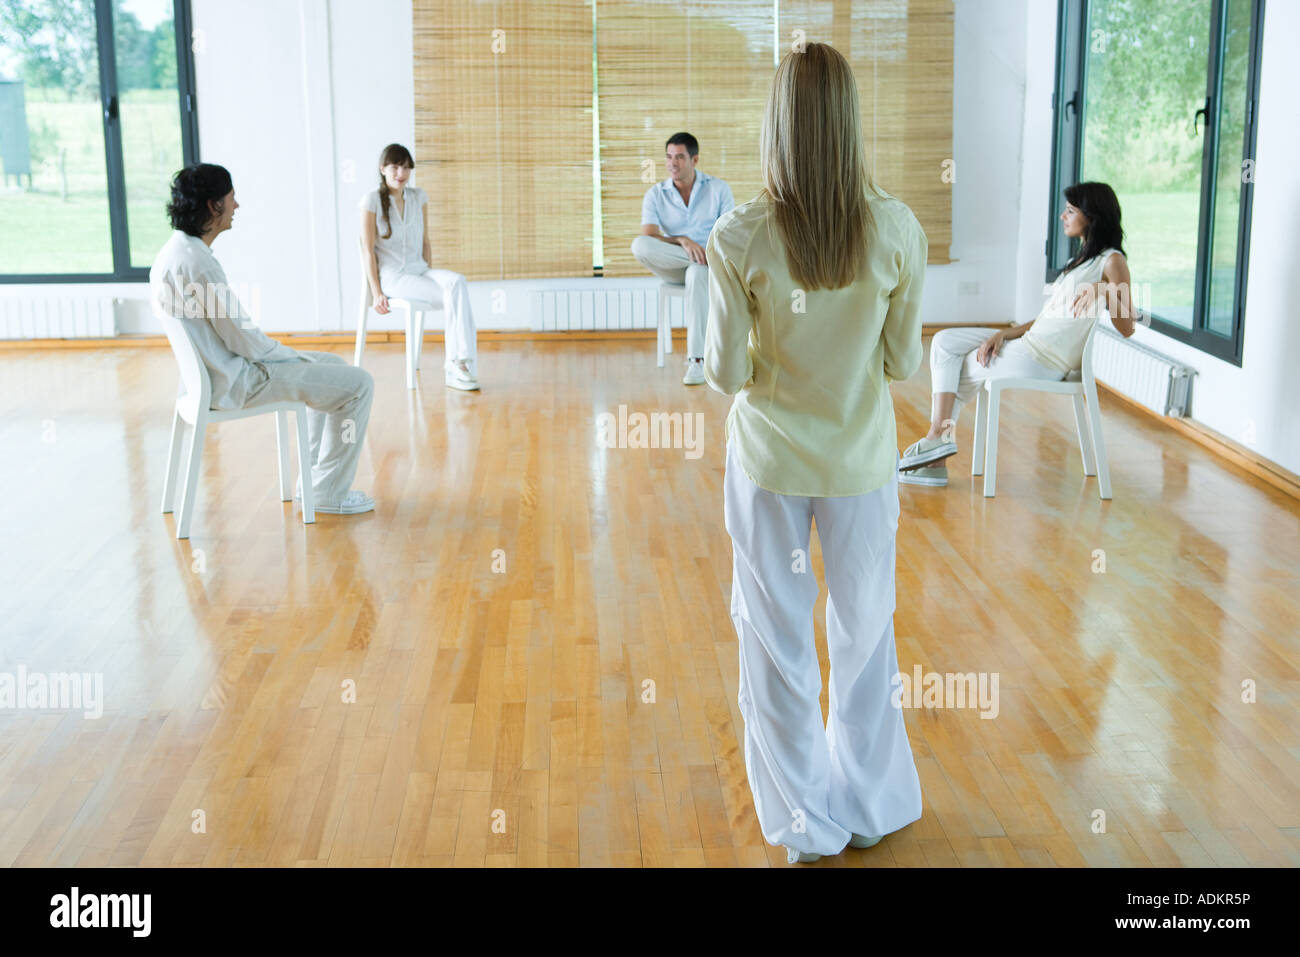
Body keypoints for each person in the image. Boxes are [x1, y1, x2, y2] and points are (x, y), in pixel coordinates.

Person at [705, 43, 927, 864]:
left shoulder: (738, 237)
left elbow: (726, 372)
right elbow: (903, 362)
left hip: (770, 464)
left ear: (778, 125)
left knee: (776, 641)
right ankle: (868, 805)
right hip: (862, 467)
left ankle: (803, 824)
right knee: (865, 639)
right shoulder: (898, 229)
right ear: (850, 122)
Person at [150, 163, 376, 515]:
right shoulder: (199, 264)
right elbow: (244, 340)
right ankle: (328, 492)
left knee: (331, 366)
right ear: (214, 205)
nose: (236, 206)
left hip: (210, 378)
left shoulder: (174, 252)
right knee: (358, 383)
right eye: (232, 197)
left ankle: (315, 485)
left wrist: (287, 355)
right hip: (236, 382)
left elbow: (237, 336)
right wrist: (287, 355)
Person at [898, 181, 1137, 486]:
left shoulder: (1113, 261)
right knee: (944, 341)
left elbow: (1127, 326)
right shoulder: (1081, 260)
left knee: (962, 366)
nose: (1063, 217)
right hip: (1030, 342)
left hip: (1043, 359)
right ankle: (936, 448)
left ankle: (937, 446)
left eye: (1070, 211)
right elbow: (1047, 318)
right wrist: (1004, 333)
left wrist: (1105, 288)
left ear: (1092, 216)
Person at [359, 143, 479, 391]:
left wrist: (431, 276)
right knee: (453, 295)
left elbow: (425, 241)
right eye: (394, 167)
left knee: (457, 282)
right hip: (393, 277)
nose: (400, 174)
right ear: (383, 169)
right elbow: (367, 250)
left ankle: (459, 362)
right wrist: (377, 292)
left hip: (420, 270)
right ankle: (458, 365)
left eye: (405, 168)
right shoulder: (371, 201)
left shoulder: (418, 197)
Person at [631, 133, 735, 385]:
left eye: (679, 157)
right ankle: (697, 259)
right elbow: (650, 235)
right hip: (673, 264)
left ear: (694, 159)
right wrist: (682, 241)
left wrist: (706, 253)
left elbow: (731, 233)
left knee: (697, 273)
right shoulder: (656, 194)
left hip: (708, 267)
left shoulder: (718, 189)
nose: (672, 163)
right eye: (668, 157)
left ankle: (697, 362)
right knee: (640, 244)